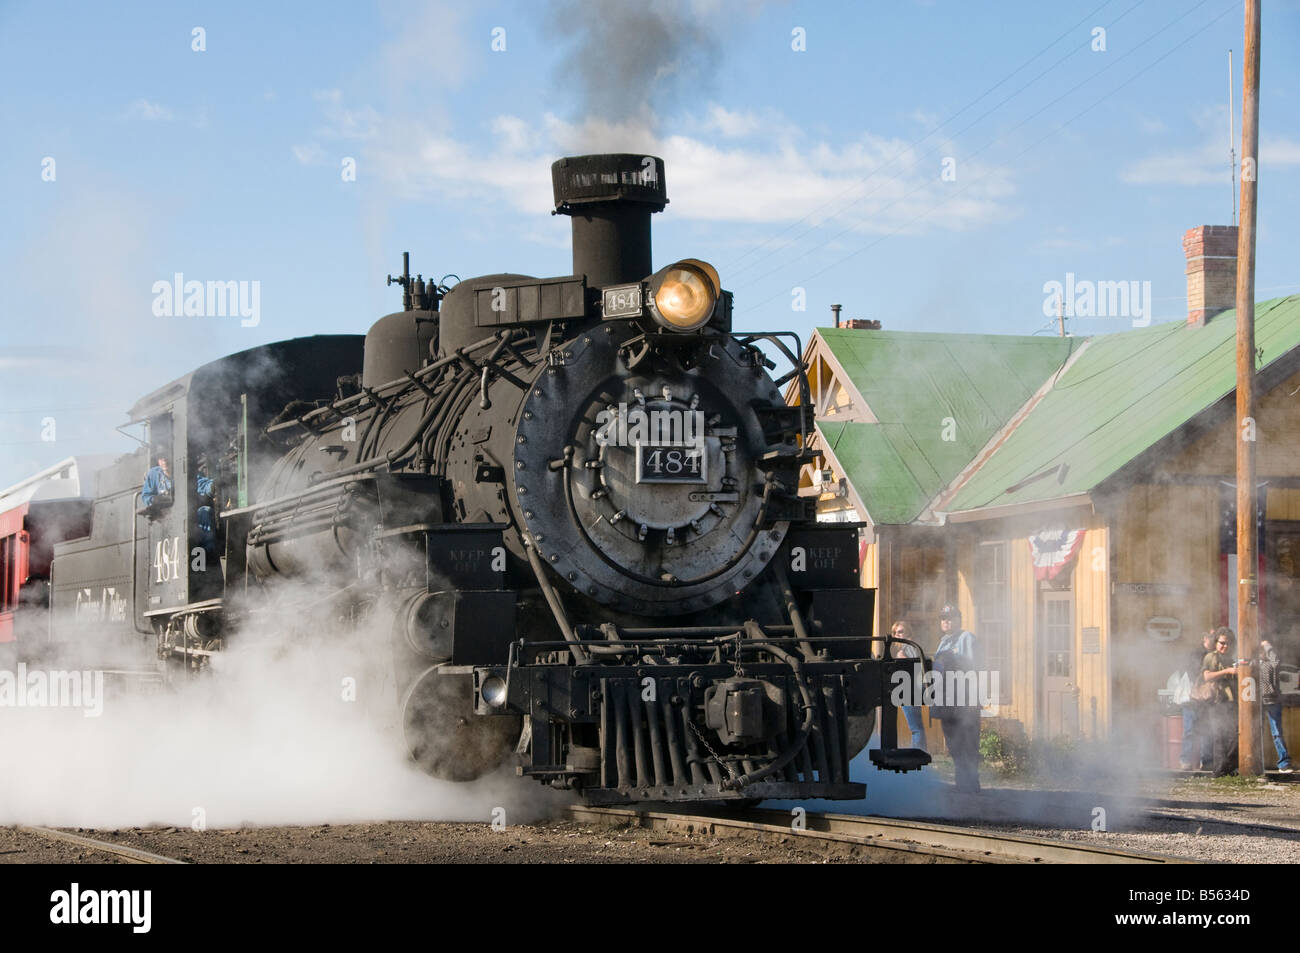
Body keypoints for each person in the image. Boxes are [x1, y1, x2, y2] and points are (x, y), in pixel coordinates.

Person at [933, 604, 982, 793]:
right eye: (943, 618)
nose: (946, 621)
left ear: (959, 619)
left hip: (963, 700)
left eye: (950, 617)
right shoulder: (943, 642)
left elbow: (973, 668)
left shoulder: (966, 639)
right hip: (947, 701)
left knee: (968, 744)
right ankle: (962, 784)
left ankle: (971, 786)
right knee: (954, 745)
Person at [1202, 627, 1239, 777]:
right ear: (1216, 642)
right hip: (1217, 702)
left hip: (1230, 702)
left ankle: (1228, 768)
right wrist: (1227, 672)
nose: (1225, 646)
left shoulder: (1231, 659)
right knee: (1219, 736)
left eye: (1228, 643)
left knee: (1233, 736)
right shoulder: (1212, 657)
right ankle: (1219, 771)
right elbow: (1207, 676)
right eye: (1222, 643)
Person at [1180, 631, 1215, 771]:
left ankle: (1205, 761)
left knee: (1206, 730)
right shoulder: (1196, 654)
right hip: (1192, 697)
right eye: (1213, 638)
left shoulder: (1214, 656)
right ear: (1205, 638)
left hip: (1206, 699)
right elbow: (1193, 672)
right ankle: (1187, 760)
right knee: (1190, 730)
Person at [889, 620, 926, 751]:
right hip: (908, 688)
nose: (897, 635)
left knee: (915, 727)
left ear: (908, 632)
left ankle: (918, 753)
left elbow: (916, 667)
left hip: (910, 689)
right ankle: (919, 752)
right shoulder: (904, 647)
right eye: (895, 632)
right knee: (916, 726)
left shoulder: (909, 646)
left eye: (901, 631)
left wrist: (903, 658)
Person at [1258, 638, 1292, 773]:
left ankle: (1283, 763)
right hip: (1257, 702)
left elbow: (1276, 661)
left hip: (1272, 700)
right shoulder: (1253, 663)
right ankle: (1255, 762)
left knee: (1277, 732)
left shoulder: (1270, 663)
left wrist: (1267, 646)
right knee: (1256, 733)